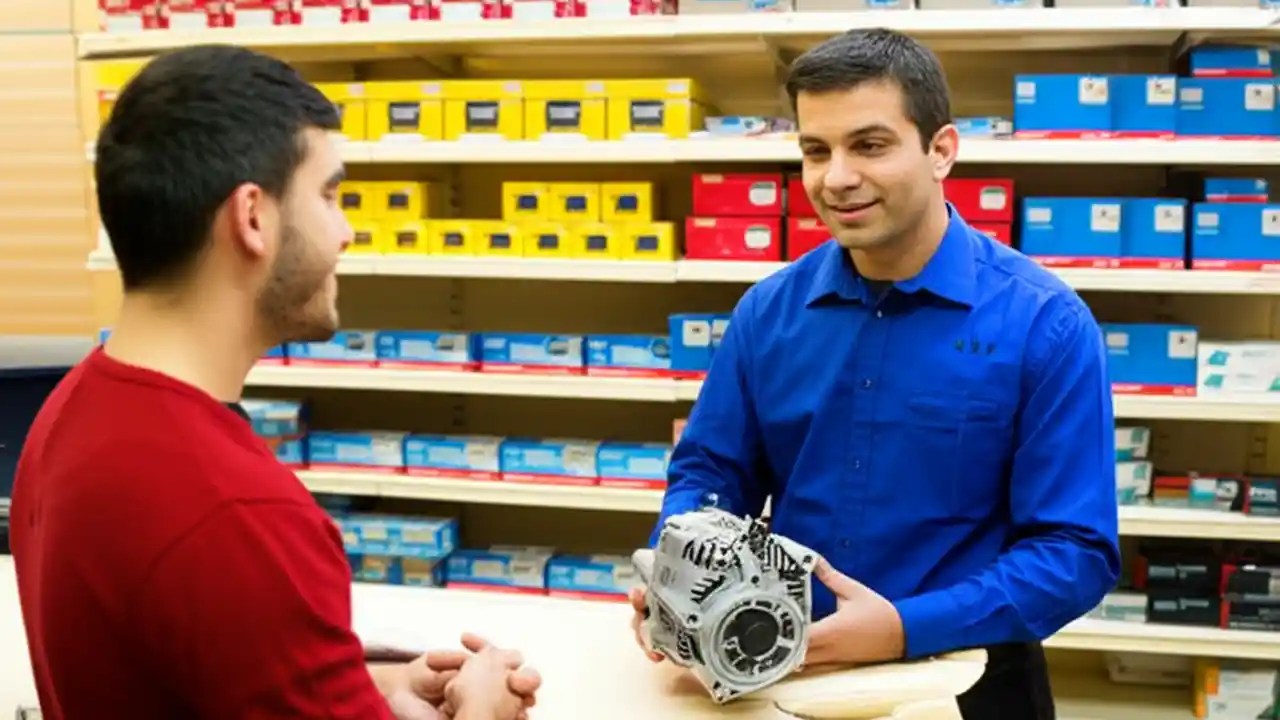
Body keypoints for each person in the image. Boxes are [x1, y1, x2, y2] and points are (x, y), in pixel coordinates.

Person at [11, 45, 539, 720]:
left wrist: (367, 689)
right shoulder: (238, 516)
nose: (345, 231)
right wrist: (483, 713)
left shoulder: (72, 412)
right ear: (252, 218)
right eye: (329, 195)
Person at [630, 28, 1120, 719]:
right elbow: (713, 471)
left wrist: (903, 627)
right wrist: (676, 563)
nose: (835, 178)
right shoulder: (768, 312)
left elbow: (1074, 554)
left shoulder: (1046, 324)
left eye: (869, 145)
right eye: (815, 150)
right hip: (779, 669)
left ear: (941, 150)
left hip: (970, 681)